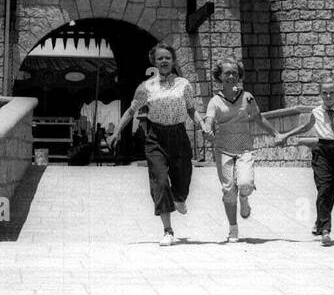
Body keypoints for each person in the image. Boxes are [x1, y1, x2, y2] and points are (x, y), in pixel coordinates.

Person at [112, 43, 208, 246]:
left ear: (173, 61)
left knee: (182, 181)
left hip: (179, 136)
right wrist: (116, 132)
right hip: (156, 137)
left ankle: (180, 198)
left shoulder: (184, 84)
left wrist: (202, 126)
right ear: (154, 62)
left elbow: (191, 109)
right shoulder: (146, 87)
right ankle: (168, 230)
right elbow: (131, 111)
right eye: (160, 58)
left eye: (167, 58)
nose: (164, 61)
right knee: (160, 181)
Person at [202, 59, 282, 242]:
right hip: (223, 150)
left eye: (235, 74)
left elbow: (258, 118)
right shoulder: (214, 101)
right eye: (227, 73)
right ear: (219, 76)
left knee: (245, 184)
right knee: (229, 191)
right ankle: (233, 229)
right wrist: (207, 130)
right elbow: (209, 121)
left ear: (239, 76)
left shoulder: (247, 97)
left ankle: (244, 198)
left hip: (244, 149)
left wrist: (276, 133)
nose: (231, 76)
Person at [277, 73, 334, 246]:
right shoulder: (316, 112)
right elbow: (306, 126)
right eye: (324, 93)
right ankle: (326, 230)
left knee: (330, 191)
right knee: (324, 188)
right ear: (320, 94)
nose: (328, 96)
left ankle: (320, 221)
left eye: (331, 93)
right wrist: (287, 135)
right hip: (321, 150)